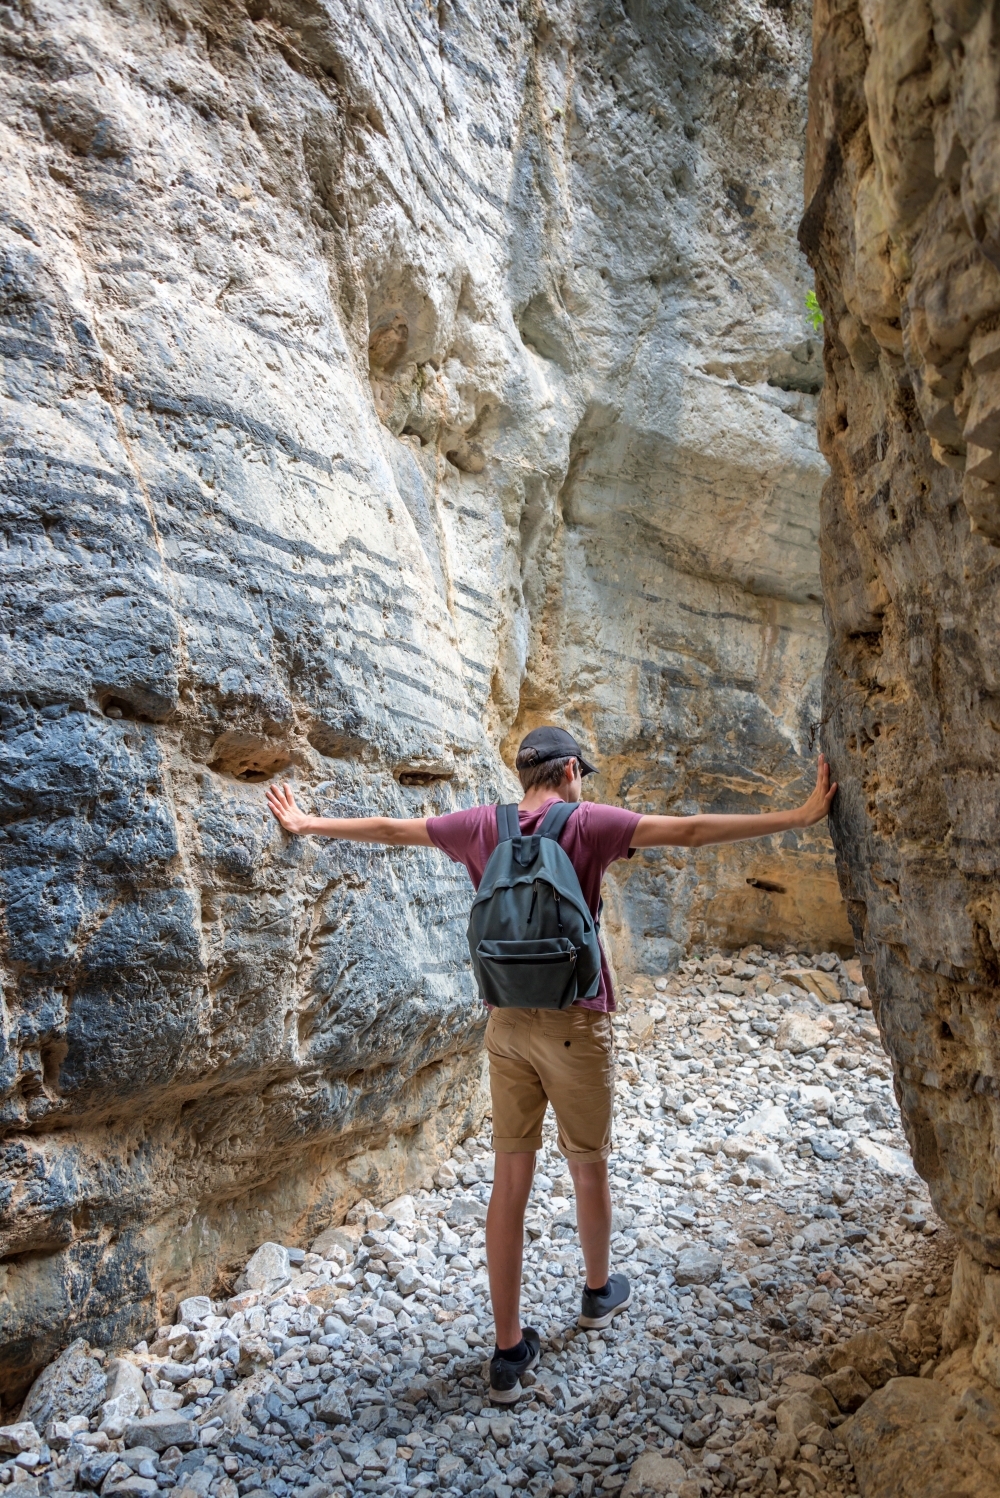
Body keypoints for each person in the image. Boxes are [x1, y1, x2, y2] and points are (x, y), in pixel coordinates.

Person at [266, 725, 837, 1403]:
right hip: (578, 1023)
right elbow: (687, 832)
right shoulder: (588, 824)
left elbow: (394, 829)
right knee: (587, 1164)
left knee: (511, 1179)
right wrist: (798, 816)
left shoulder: (484, 825)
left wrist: (306, 822)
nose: (581, 784)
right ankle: (597, 1293)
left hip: (506, 1024)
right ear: (568, 770)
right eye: (581, 775)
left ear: (522, 774)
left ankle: (508, 1352)